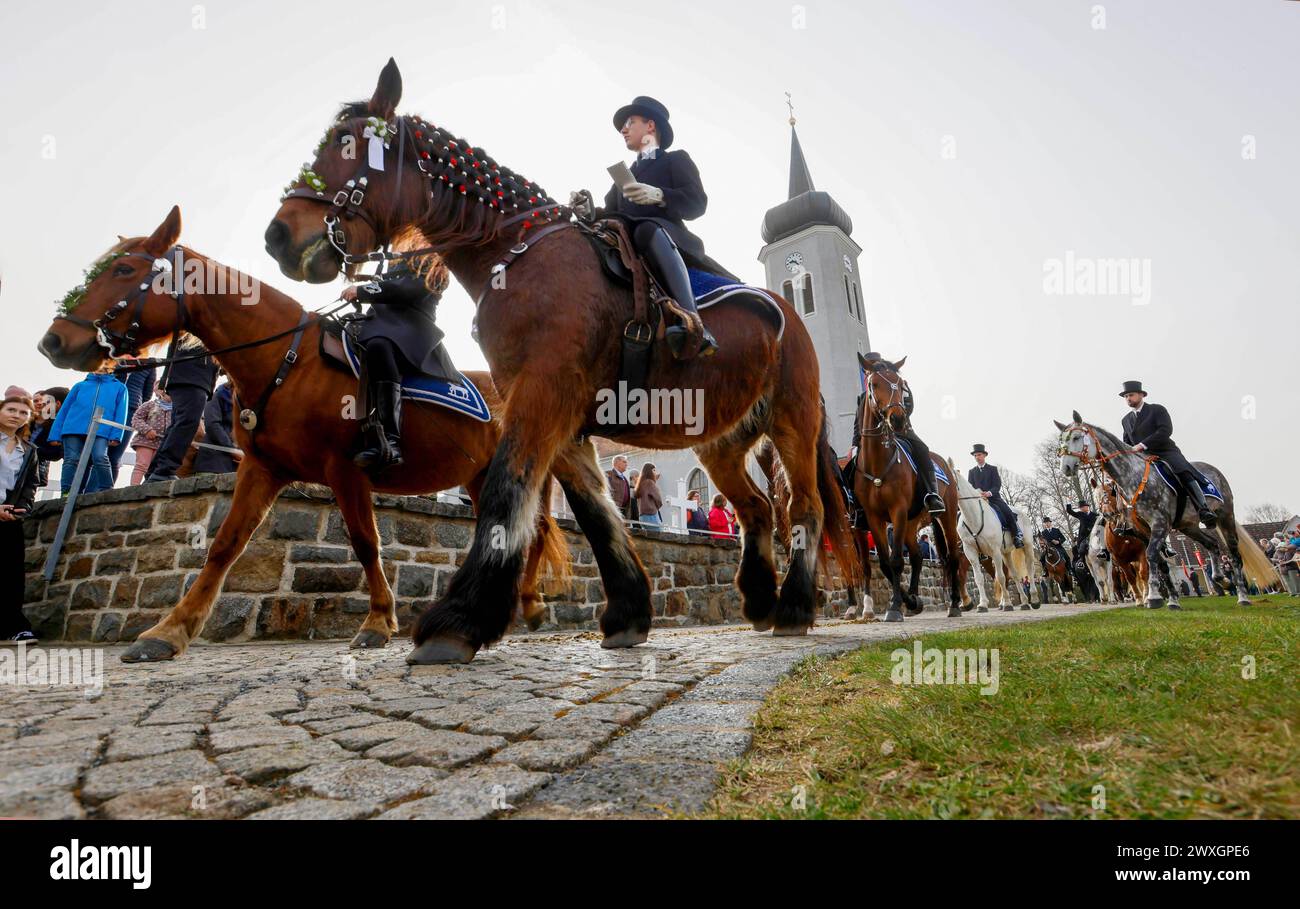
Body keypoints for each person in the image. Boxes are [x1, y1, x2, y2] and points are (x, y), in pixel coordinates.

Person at [570, 96, 720, 358]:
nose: (623, 130)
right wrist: (587, 210)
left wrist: (660, 195)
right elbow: (612, 213)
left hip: (667, 237)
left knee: (646, 229)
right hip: (630, 245)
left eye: (630, 123)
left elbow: (697, 203)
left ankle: (693, 323)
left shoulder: (675, 160)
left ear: (650, 126)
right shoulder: (623, 177)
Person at [343, 253, 456, 474]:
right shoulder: (392, 258)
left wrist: (363, 291)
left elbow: (409, 290)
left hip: (411, 328)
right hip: (377, 322)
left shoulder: (436, 259)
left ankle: (389, 441)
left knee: (378, 345)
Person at [846, 352, 945, 524]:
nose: (871, 370)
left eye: (875, 365)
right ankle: (858, 509)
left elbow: (909, 405)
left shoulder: (896, 383)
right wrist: (855, 444)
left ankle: (932, 494)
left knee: (922, 449)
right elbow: (858, 423)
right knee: (851, 466)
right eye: (868, 368)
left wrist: (895, 417)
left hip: (901, 429)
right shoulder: (862, 397)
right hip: (872, 438)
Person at [1119, 380, 1215, 527]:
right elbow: (1127, 443)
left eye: (1131, 395)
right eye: (1125, 397)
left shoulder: (1157, 410)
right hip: (1143, 457)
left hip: (1165, 451)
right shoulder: (1125, 420)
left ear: (1141, 395)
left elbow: (1165, 430)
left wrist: (1142, 445)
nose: (1128, 399)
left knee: (1182, 471)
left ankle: (1203, 509)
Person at [48, 364, 128, 495]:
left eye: (106, 364)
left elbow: (121, 413)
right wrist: (55, 434)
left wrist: (117, 434)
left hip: (101, 430)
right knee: (71, 459)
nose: (101, 367)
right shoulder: (79, 386)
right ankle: (66, 492)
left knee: (100, 457)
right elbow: (64, 411)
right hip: (72, 428)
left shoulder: (120, 388)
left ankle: (107, 490)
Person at [146, 337, 218, 481]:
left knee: (179, 423)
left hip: (192, 377)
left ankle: (157, 470)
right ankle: (164, 469)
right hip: (192, 376)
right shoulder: (200, 322)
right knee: (187, 423)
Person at [1, 394, 40, 642]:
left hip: (9, 518)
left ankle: (14, 627)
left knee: (11, 573)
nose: (16, 415)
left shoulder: (29, 450)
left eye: (23, 412)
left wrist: (21, 507)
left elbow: (31, 485)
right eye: (11, 409)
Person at [108, 358, 156, 480]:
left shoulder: (150, 363)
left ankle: (105, 490)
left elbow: (147, 393)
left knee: (115, 455)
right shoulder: (116, 355)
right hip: (109, 405)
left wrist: (135, 403)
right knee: (98, 452)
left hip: (130, 409)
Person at [968, 444, 1023, 547]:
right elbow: (971, 487)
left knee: (1007, 511)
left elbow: (997, 485)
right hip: (978, 500)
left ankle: (1016, 536)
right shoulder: (971, 472)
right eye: (975, 455)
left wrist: (988, 493)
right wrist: (978, 494)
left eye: (979, 455)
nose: (977, 457)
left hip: (993, 498)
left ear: (984, 455)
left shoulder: (992, 469)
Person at [128, 384, 173, 485]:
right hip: (145, 441)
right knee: (142, 465)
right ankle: (133, 488)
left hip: (163, 444)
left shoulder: (176, 410)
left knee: (156, 469)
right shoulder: (149, 405)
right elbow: (136, 419)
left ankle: (148, 488)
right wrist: (147, 430)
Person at [194, 377, 239, 475]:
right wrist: (232, 450)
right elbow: (212, 424)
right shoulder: (220, 394)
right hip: (214, 462)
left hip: (241, 466)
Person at [29, 387, 68, 490]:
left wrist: (31, 449)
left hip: (36, 471)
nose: (39, 403)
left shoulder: (54, 424)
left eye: (42, 401)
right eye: (35, 401)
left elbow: (55, 453)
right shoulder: (26, 423)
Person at [605, 455, 636, 521]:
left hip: (624, 511)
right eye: (624, 462)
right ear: (617, 463)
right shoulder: (608, 474)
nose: (626, 464)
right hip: (613, 510)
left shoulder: (624, 478)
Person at [635, 462, 663, 526]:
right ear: (649, 471)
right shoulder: (649, 482)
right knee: (657, 534)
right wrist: (657, 507)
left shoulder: (640, 484)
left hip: (642, 515)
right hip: (651, 514)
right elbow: (658, 499)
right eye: (654, 470)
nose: (655, 472)